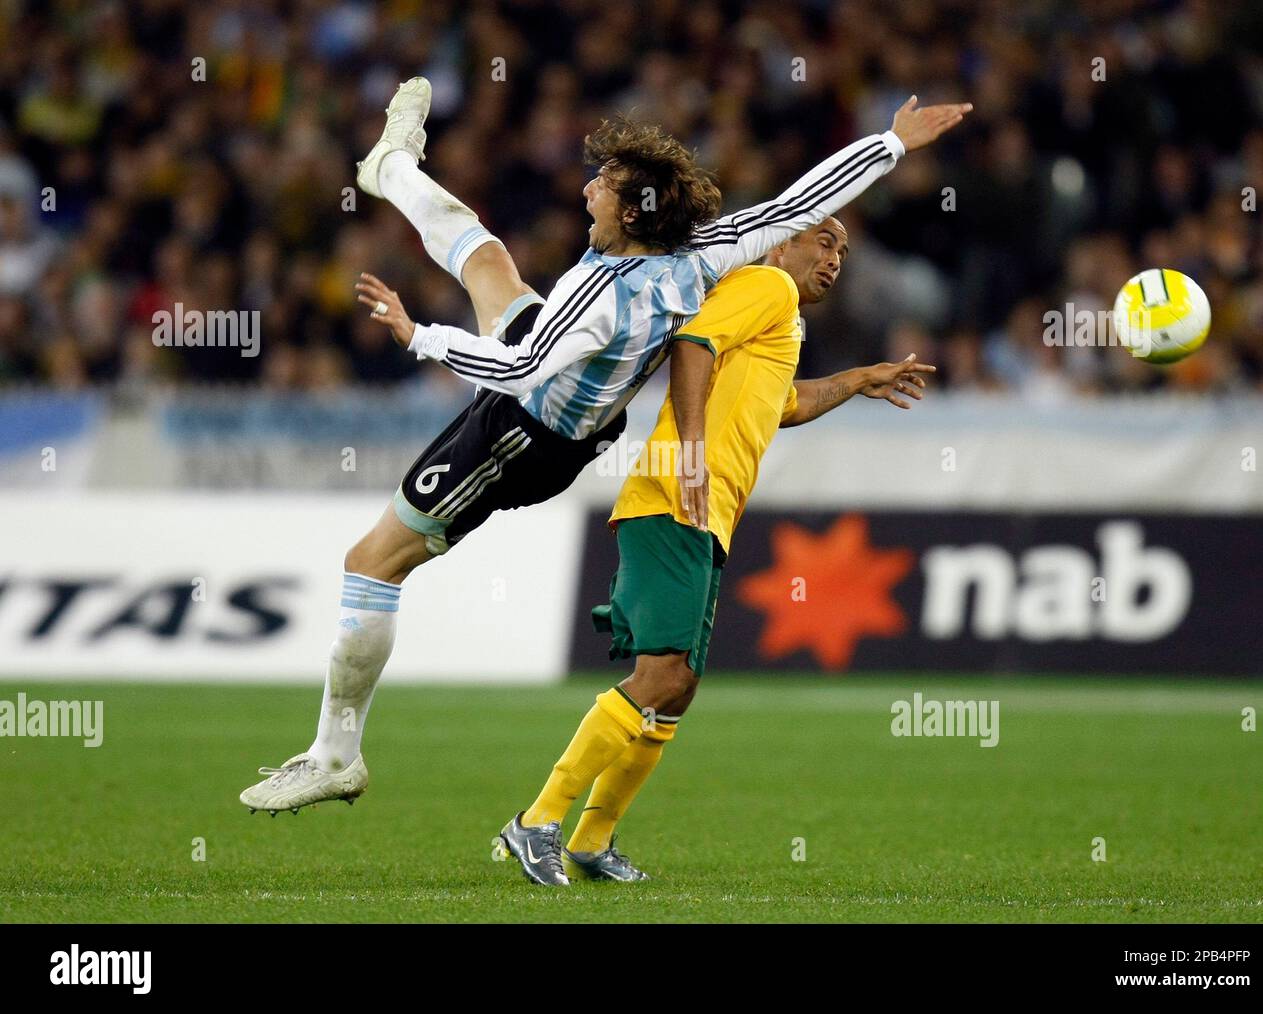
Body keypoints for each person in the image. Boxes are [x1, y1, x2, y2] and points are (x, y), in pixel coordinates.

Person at [239, 76, 968, 815]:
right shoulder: (700, 254)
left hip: (522, 434)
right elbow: (795, 205)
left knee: (371, 563)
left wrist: (417, 335)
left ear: (631, 210)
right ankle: (392, 165)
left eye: (602, 185)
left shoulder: (601, 299)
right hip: (569, 401)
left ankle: (336, 755)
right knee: (487, 258)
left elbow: (520, 370)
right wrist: (890, 144)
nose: (587, 192)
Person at [497, 216, 937, 884]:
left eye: (844, 250)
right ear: (782, 242)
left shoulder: (782, 318)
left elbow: (780, 405)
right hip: (676, 498)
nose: (836, 258)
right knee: (663, 676)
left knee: (678, 688)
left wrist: (856, 380)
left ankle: (592, 838)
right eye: (824, 241)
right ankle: (537, 822)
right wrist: (696, 448)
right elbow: (694, 344)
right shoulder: (766, 285)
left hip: (703, 514)